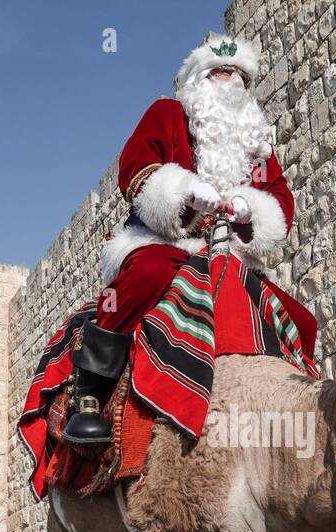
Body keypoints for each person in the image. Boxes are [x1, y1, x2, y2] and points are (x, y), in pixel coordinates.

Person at [62, 31, 318, 444]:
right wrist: (181, 190)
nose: (231, 81)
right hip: (166, 243)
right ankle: (90, 388)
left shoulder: (256, 147)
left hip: (230, 257)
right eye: (222, 72)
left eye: (240, 76)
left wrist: (251, 208)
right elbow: (136, 165)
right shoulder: (167, 114)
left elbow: (279, 200)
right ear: (201, 77)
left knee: (301, 320)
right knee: (147, 275)